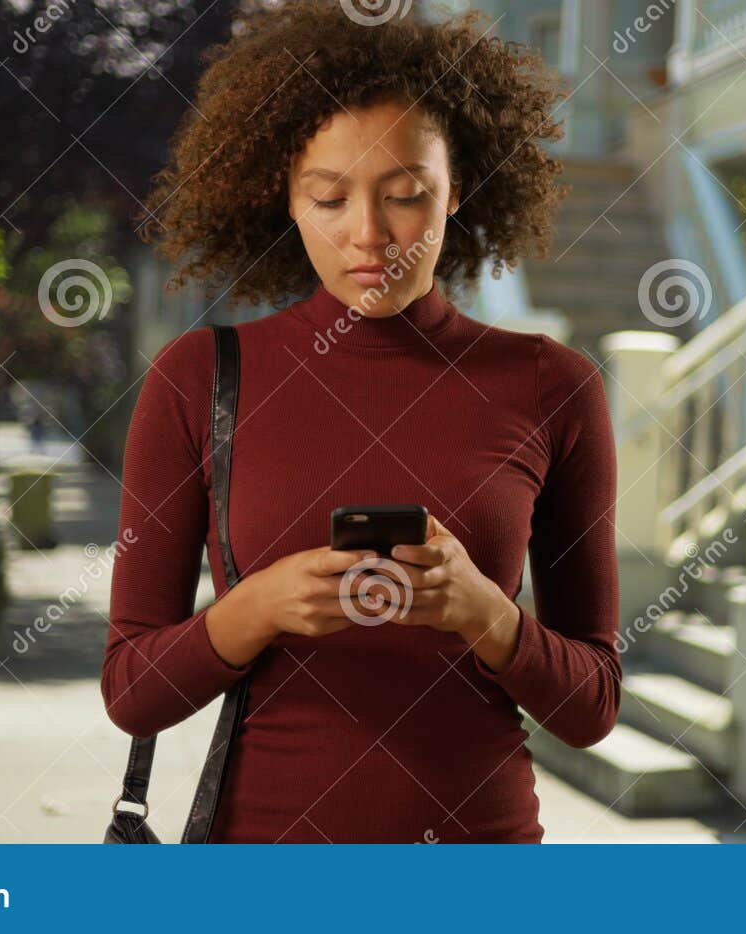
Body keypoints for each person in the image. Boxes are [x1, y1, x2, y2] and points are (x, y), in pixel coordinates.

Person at [101, 0, 620, 843]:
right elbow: (132, 692)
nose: (369, 235)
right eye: (330, 197)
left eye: (406, 195)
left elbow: (592, 705)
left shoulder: (551, 386)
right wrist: (257, 608)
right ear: (286, 195)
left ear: (459, 191)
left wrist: (484, 613)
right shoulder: (199, 379)